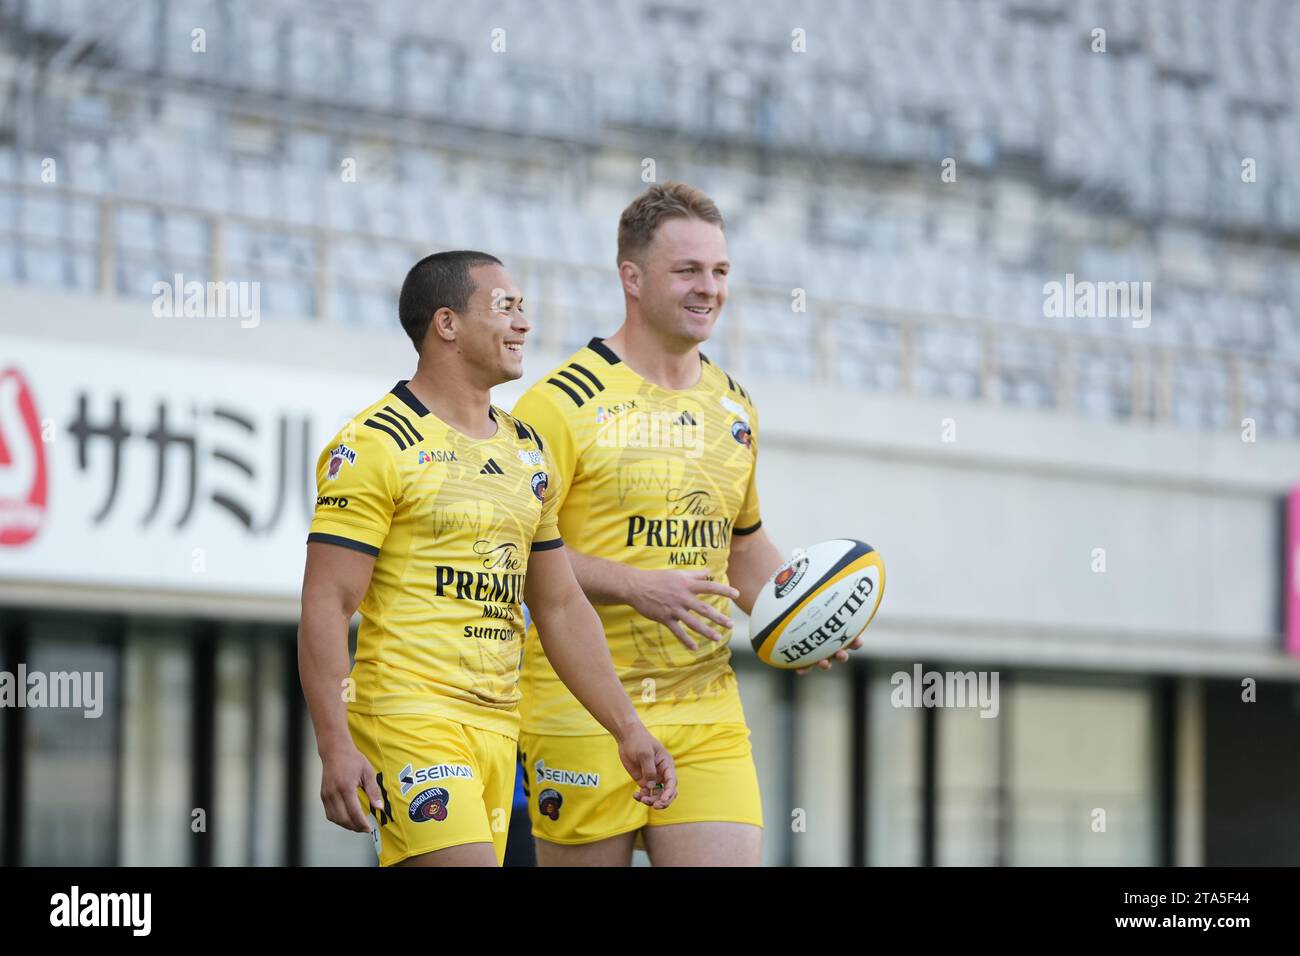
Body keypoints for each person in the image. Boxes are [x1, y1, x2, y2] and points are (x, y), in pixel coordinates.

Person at [512, 183, 860, 866]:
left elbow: (745, 544)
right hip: (582, 706)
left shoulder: (735, 405)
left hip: (707, 706)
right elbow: (513, 548)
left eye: (721, 271)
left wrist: (801, 612)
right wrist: (637, 586)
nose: (710, 288)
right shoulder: (557, 403)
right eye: (689, 271)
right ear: (631, 278)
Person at [298, 250, 676, 867]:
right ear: (446, 324)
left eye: (524, 307)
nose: (524, 322)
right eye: (506, 307)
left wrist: (627, 727)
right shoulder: (375, 444)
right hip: (408, 716)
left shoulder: (527, 451)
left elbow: (557, 605)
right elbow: (325, 603)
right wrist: (333, 743)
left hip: (501, 727)